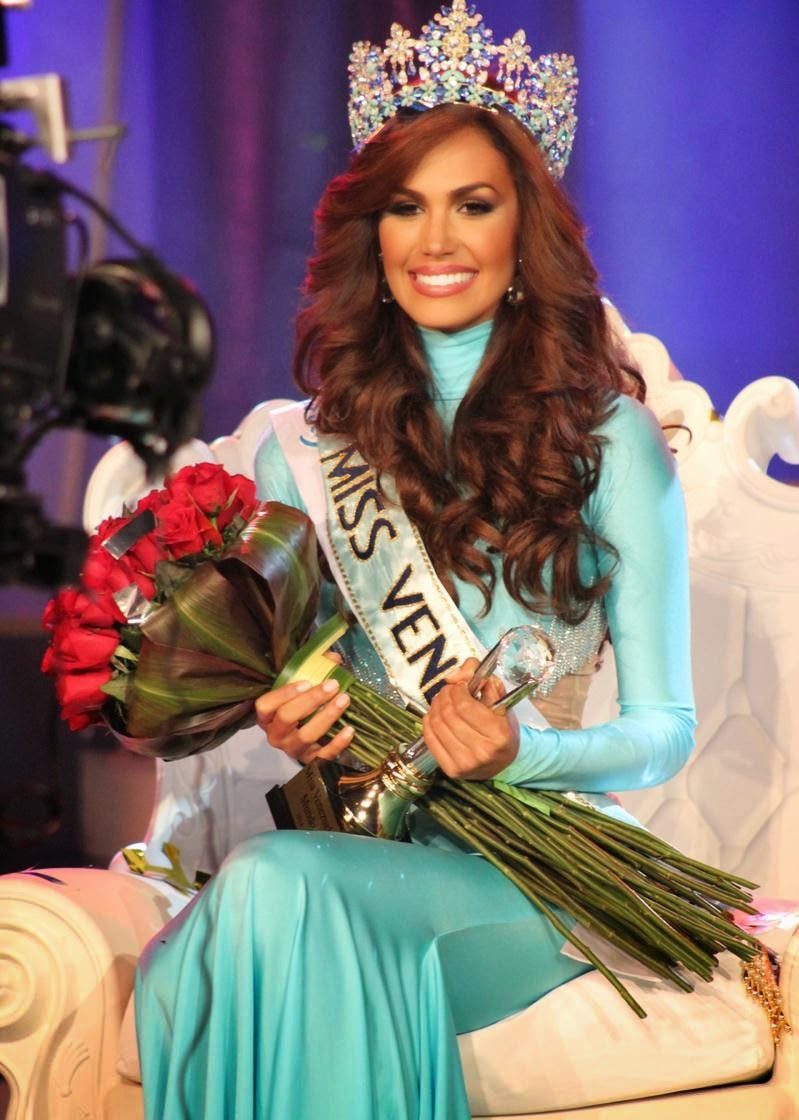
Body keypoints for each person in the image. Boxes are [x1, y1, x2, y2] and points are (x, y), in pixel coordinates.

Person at [135, 6, 695, 1117]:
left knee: (272, 895)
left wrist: (519, 754)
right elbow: (309, 711)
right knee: (276, 884)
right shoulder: (304, 452)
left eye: (472, 204)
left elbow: (664, 731)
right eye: (406, 206)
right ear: (372, 236)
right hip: (356, 847)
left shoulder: (607, 439)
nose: (436, 239)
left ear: (521, 232)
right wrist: (292, 719)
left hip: (537, 878)